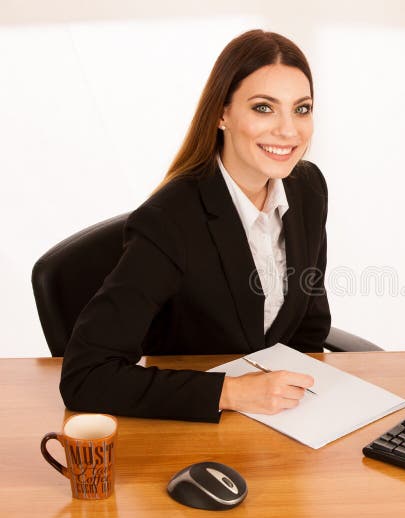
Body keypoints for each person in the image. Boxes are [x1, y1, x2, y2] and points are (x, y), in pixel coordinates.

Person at [60, 30, 330, 423]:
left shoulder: (307, 188)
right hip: (193, 430)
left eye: (301, 109)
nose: (289, 131)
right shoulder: (170, 221)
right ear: (222, 114)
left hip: (281, 425)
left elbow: (309, 326)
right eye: (264, 108)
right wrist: (232, 393)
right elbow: (86, 376)